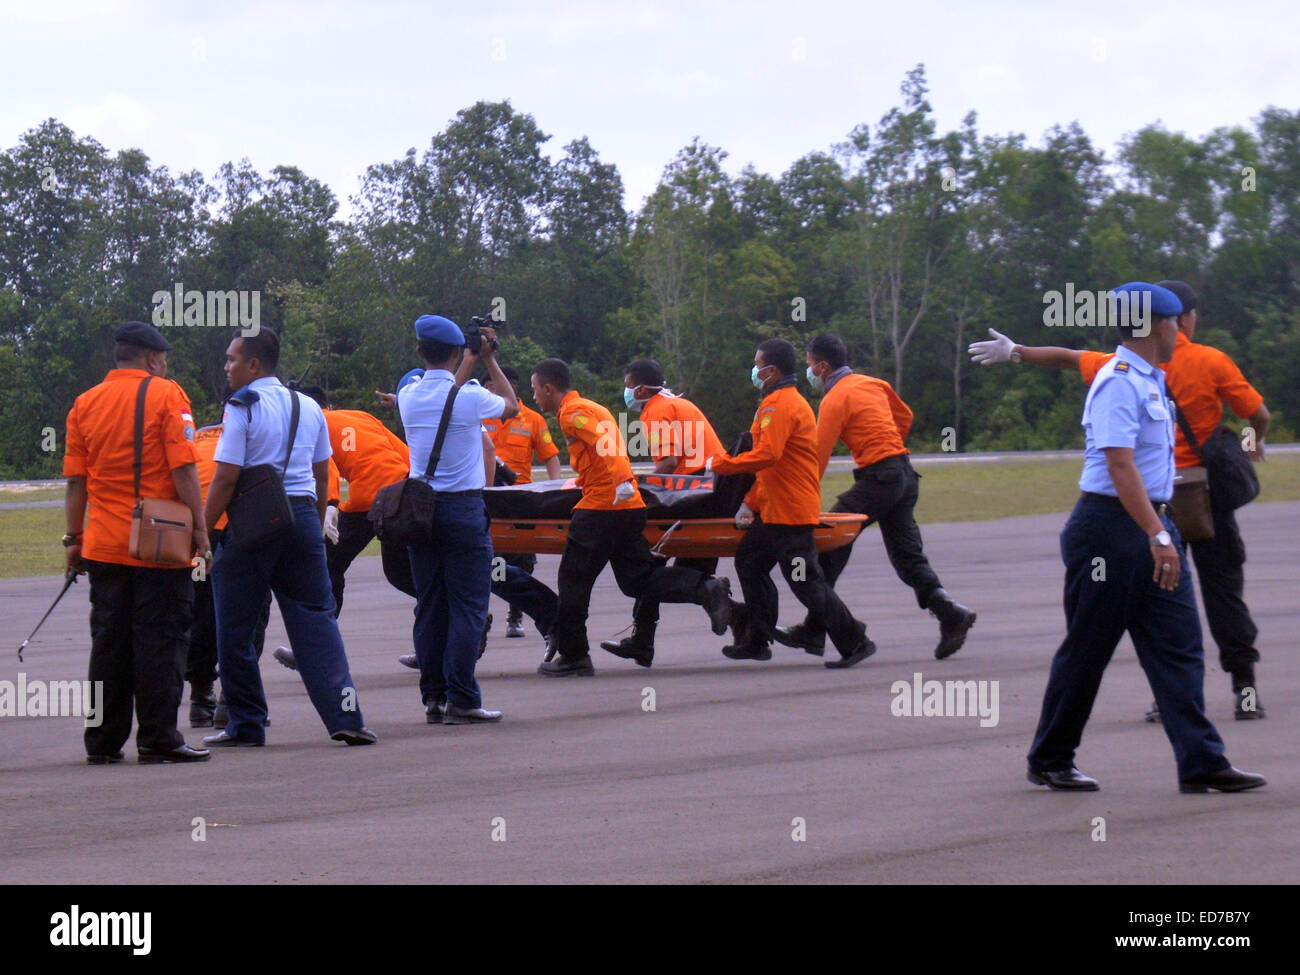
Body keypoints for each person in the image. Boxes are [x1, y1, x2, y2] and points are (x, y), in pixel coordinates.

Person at [970, 280, 1270, 719]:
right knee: (1223, 593)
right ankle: (1245, 690)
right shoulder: (1211, 360)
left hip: (1153, 506)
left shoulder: (1119, 364)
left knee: (1158, 605)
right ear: (1179, 319)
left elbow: (1067, 358)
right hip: (1205, 499)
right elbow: (1257, 415)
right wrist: (1250, 444)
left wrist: (1016, 351)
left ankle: (1163, 699)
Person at [201, 328, 376, 747]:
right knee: (317, 621)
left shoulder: (241, 407)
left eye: (231, 359)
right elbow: (321, 474)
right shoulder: (309, 407)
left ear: (254, 365)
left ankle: (246, 724)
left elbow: (225, 479)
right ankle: (345, 715)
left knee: (236, 627)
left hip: (255, 522)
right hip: (301, 516)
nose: (227, 367)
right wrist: (312, 527)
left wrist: (201, 531)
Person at [62, 320, 211, 764]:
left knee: (108, 643)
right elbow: (184, 468)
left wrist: (74, 539)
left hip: (104, 544)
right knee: (161, 639)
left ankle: (102, 743)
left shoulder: (84, 404)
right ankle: (159, 739)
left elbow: (75, 481)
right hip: (158, 542)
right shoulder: (168, 395)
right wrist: (201, 531)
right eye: (163, 359)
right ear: (152, 358)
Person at [776, 334, 976, 659]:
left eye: (810, 365)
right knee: (908, 556)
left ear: (823, 366)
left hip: (879, 478)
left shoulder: (833, 399)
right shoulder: (873, 384)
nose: (809, 371)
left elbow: (818, 457)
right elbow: (905, 418)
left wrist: (799, 499)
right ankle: (950, 613)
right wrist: (886, 446)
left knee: (829, 545)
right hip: (904, 474)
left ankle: (816, 631)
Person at [530, 358, 734, 676]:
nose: (533, 397)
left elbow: (606, 447)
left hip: (601, 509)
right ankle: (705, 588)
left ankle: (574, 656)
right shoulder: (592, 407)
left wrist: (619, 481)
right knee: (637, 580)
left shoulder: (573, 413)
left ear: (548, 388)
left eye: (534, 390)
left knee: (573, 582)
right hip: (625, 508)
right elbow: (605, 451)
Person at [706, 339, 873, 667]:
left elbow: (767, 455)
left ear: (771, 370)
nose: (754, 371)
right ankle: (757, 638)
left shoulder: (779, 405)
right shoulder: (780, 401)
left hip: (790, 513)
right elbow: (770, 468)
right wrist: (751, 503)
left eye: (758, 365)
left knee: (804, 581)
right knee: (750, 562)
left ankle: (855, 640)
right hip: (776, 511)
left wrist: (721, 465)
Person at [400, 314, 518, 724]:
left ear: (419, 351)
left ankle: (433, 698)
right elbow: (512, 405)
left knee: (430, 605)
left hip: (421, 510)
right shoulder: (469, 396)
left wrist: (469, 358)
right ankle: (463, 697)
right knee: (468, 606)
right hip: (463, 509)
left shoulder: (408, 394)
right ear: (458, 353)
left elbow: (442, 389)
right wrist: (489, 361)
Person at [600, 358, 728, 666]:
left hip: (697, 492)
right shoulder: (672, 403)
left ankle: (647, 636)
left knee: (646, 562)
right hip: (709, 488)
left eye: (629, 387)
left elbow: (668, 464)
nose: (627, 392)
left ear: (641, 389)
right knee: (655, 565)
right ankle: (642, 641)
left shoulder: (655, 412)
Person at [186, 422, 273, 728]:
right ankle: (232, 699)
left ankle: (200, 697)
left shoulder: (195, 439)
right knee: (252, 614)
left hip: (195, 543)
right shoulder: (257, 435)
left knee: (201, 614)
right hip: (238, 536)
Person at [482, 364, 562, 638]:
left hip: (520, 496)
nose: (489, 391)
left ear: (511, 387)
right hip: (487, 493)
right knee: (493, 557)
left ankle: (517, 613)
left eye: (494, 385)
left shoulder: (533, 420)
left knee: (522, 558)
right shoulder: (482, 414)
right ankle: (482, 613)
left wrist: (554, 489)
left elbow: (550, 455)